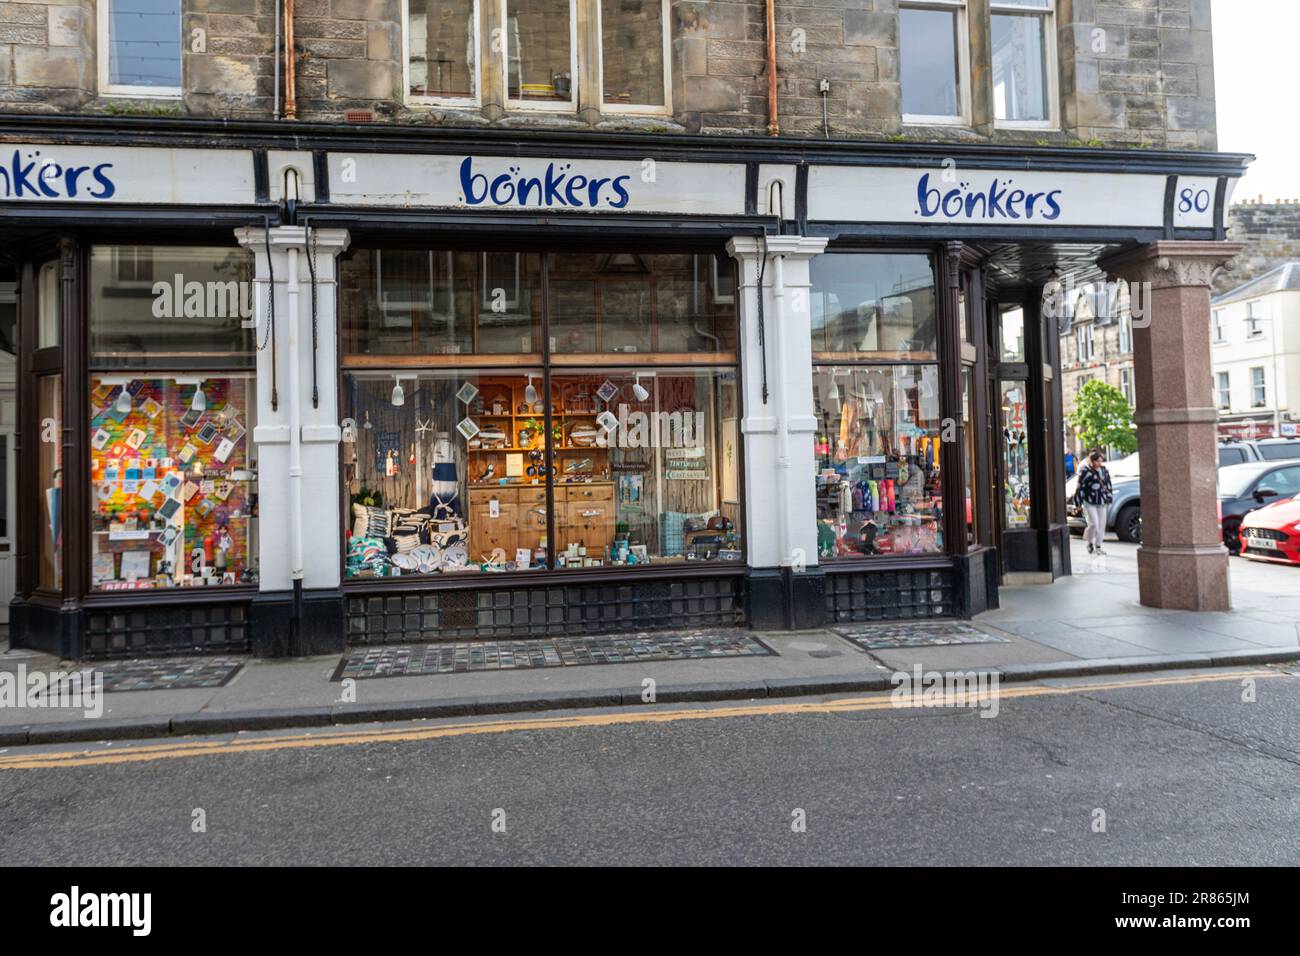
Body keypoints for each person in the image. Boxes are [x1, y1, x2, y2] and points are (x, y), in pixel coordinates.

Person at [1074, 450, 1113, 555]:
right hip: (1089, 501)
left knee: (1101, 525)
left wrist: (1109, 498)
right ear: (1092, 461)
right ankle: (1090, 542)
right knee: (1094, 524)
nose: (1099, 463)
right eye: (1097, 461)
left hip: (1102, 501)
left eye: (1101, 461)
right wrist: (1077, 503)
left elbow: (1109, 486)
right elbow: (1080, 487)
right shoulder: (1085, 471)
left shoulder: (1104, 471)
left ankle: (1098, 546)